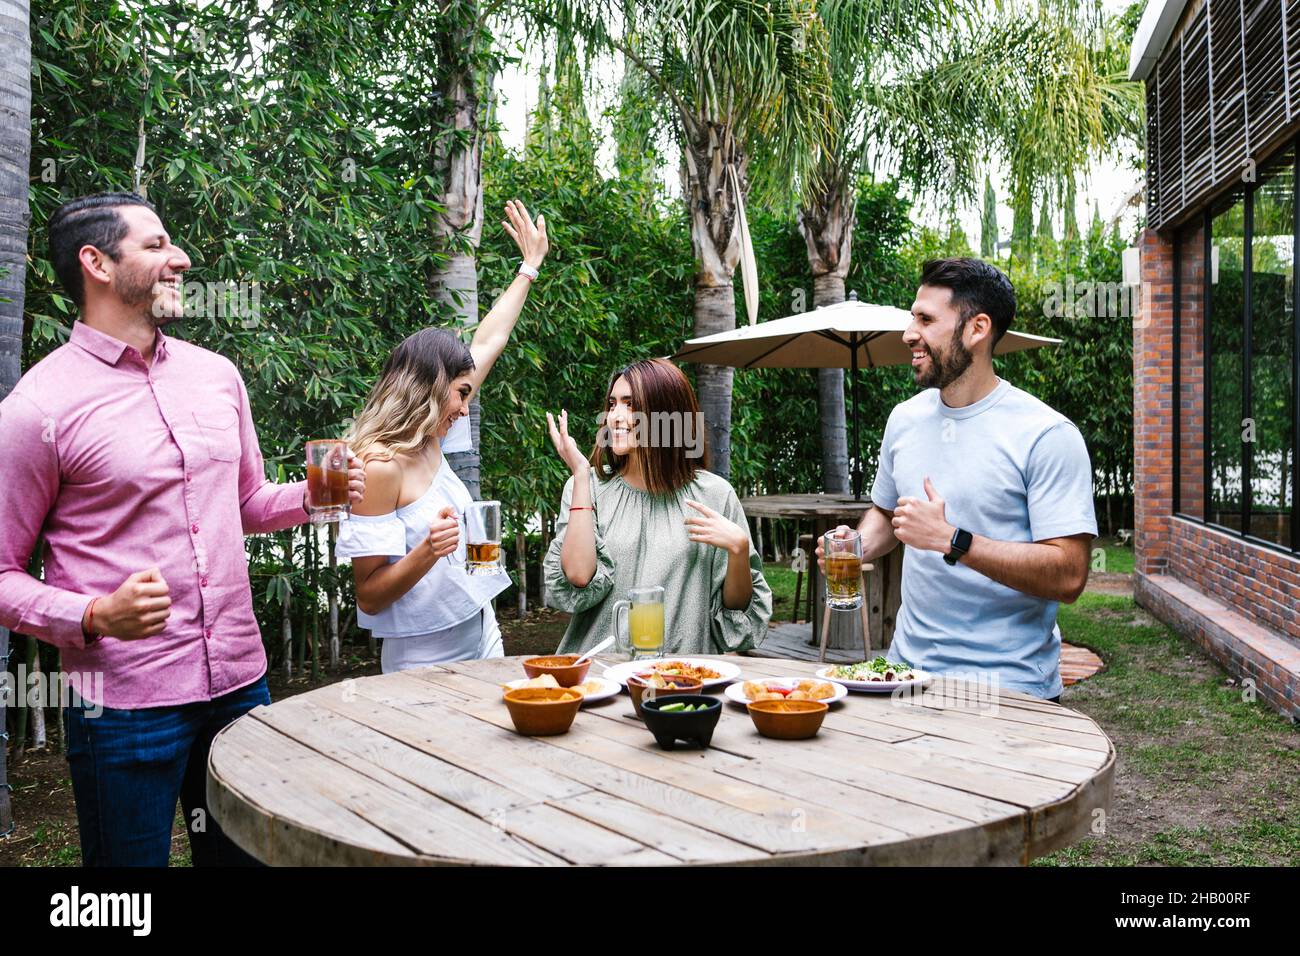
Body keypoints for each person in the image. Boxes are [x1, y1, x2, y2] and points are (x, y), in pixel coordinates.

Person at [0, 192, 365, 866]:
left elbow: (247, 501)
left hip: (240, 686)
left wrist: (320, 497)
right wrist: (93, 613)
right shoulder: (36, 408)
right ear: (97, 262)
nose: (181, 259)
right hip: (123, 706)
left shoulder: (216, 377)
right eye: (157, 244)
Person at [818, 258, 1096, 701]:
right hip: (904, 678)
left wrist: (954, 540)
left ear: (977, 328)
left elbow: (1068, 575)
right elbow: (888, 514)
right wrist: (858, 544)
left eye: (925, 319)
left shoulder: (1046, 435)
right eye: (912, 318)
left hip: (1011, 690)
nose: (909, 333)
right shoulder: (904, 420)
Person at [336, 199, 549, 672]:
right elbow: (369, 596)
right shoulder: (378, 467)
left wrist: (528, 267)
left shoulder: (434, 437)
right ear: (430, 389)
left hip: (482, 627)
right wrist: (428, 551)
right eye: (460, 394)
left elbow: (490, 340)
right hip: (423, 653)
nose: (465, 408)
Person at [543, 358, 771, 655]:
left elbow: (735, 620)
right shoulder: (586, 488)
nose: (615, 417)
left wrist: (739, 551)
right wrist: (581, 475)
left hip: (682, 680)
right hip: (598, 678)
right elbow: (578, 577)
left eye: (631, 404)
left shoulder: (715, 495)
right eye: (612, 404)